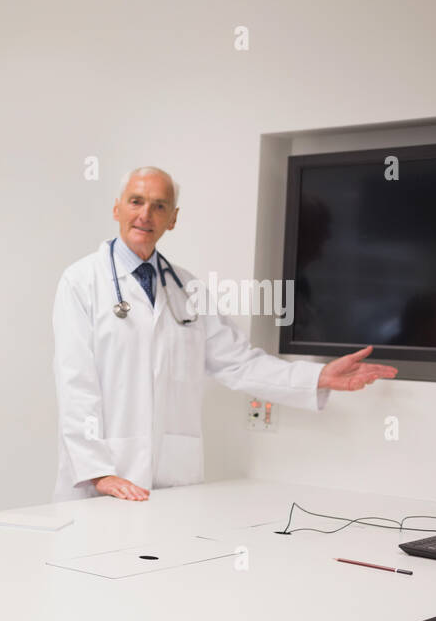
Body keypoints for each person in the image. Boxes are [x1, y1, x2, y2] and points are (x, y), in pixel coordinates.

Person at [51, 166, 397, 502]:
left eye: (160, 206)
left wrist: (319, 376)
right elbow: (75, 382)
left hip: (169, 479)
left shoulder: (186, 287)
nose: (146, 214)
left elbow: (239, 363)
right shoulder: (81, 282)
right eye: (136, 201)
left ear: (173, 218)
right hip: (102, 478)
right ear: (117, 207)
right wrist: (98, 471)